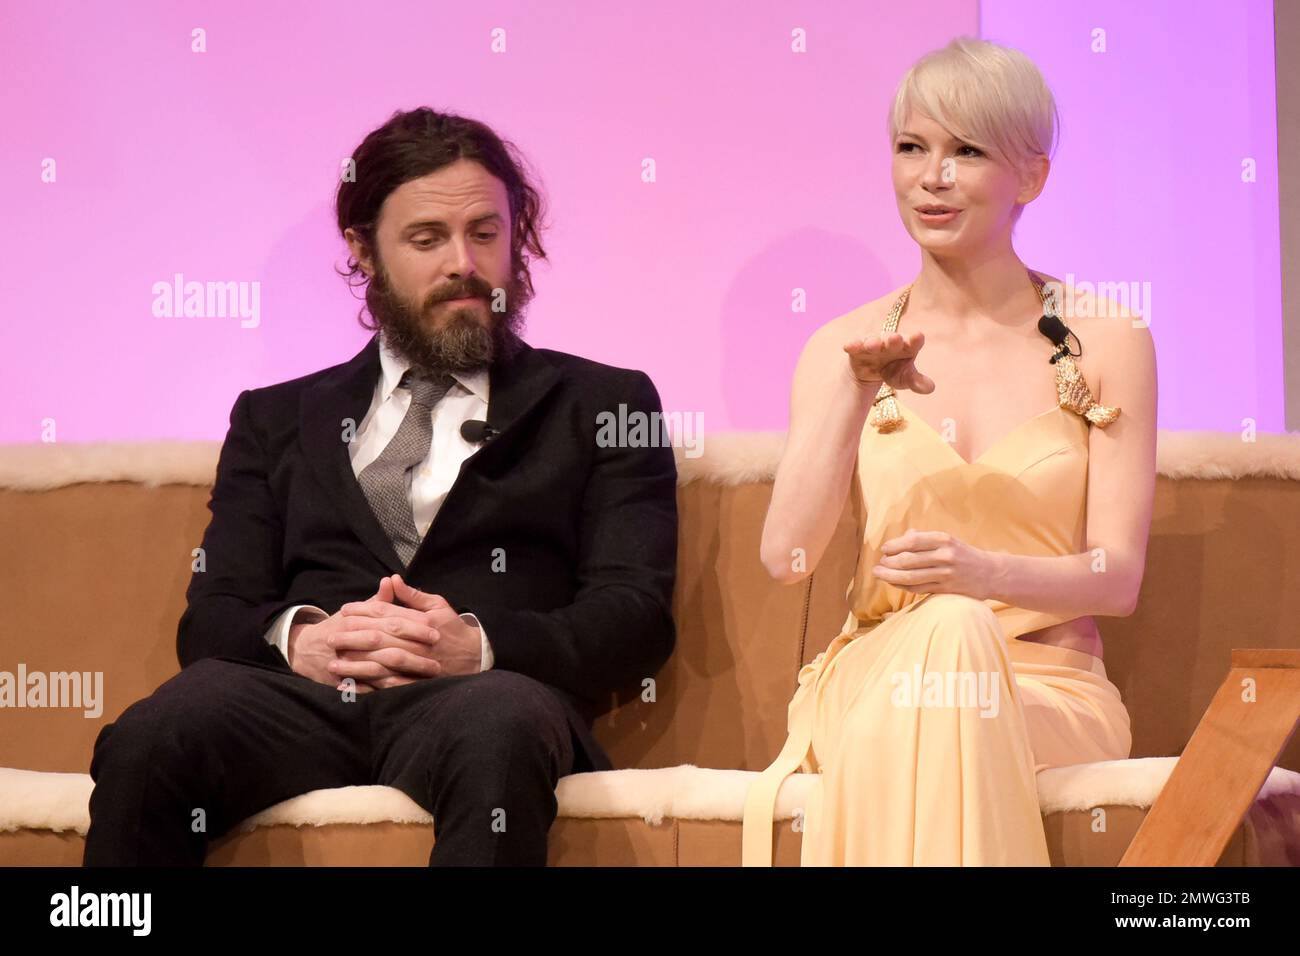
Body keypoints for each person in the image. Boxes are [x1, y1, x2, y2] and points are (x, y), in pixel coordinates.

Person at [84, 107, 679, 867]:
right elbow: (213, 618)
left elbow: (634, 617)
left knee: (499, 727)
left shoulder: (605, 404)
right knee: (151, 733)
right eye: (427, 239)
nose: (464, 264)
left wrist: (482, 646)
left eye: (486, 233)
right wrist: (301, 640)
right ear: (364, 251)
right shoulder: (276, 418)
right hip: (296, 705)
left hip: (481, 698)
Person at [741, 37, 1157, 866]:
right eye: (911, 148)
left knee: (958, 634)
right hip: (876, 676)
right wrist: (854, 394)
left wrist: (983, 575)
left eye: (967, 151)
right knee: (940, 649)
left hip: (1050, 690)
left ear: (1030, 177)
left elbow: (1118, 580)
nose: (932, 177)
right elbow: (788, 558)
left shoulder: (1109, 339)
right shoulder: (843, 347)